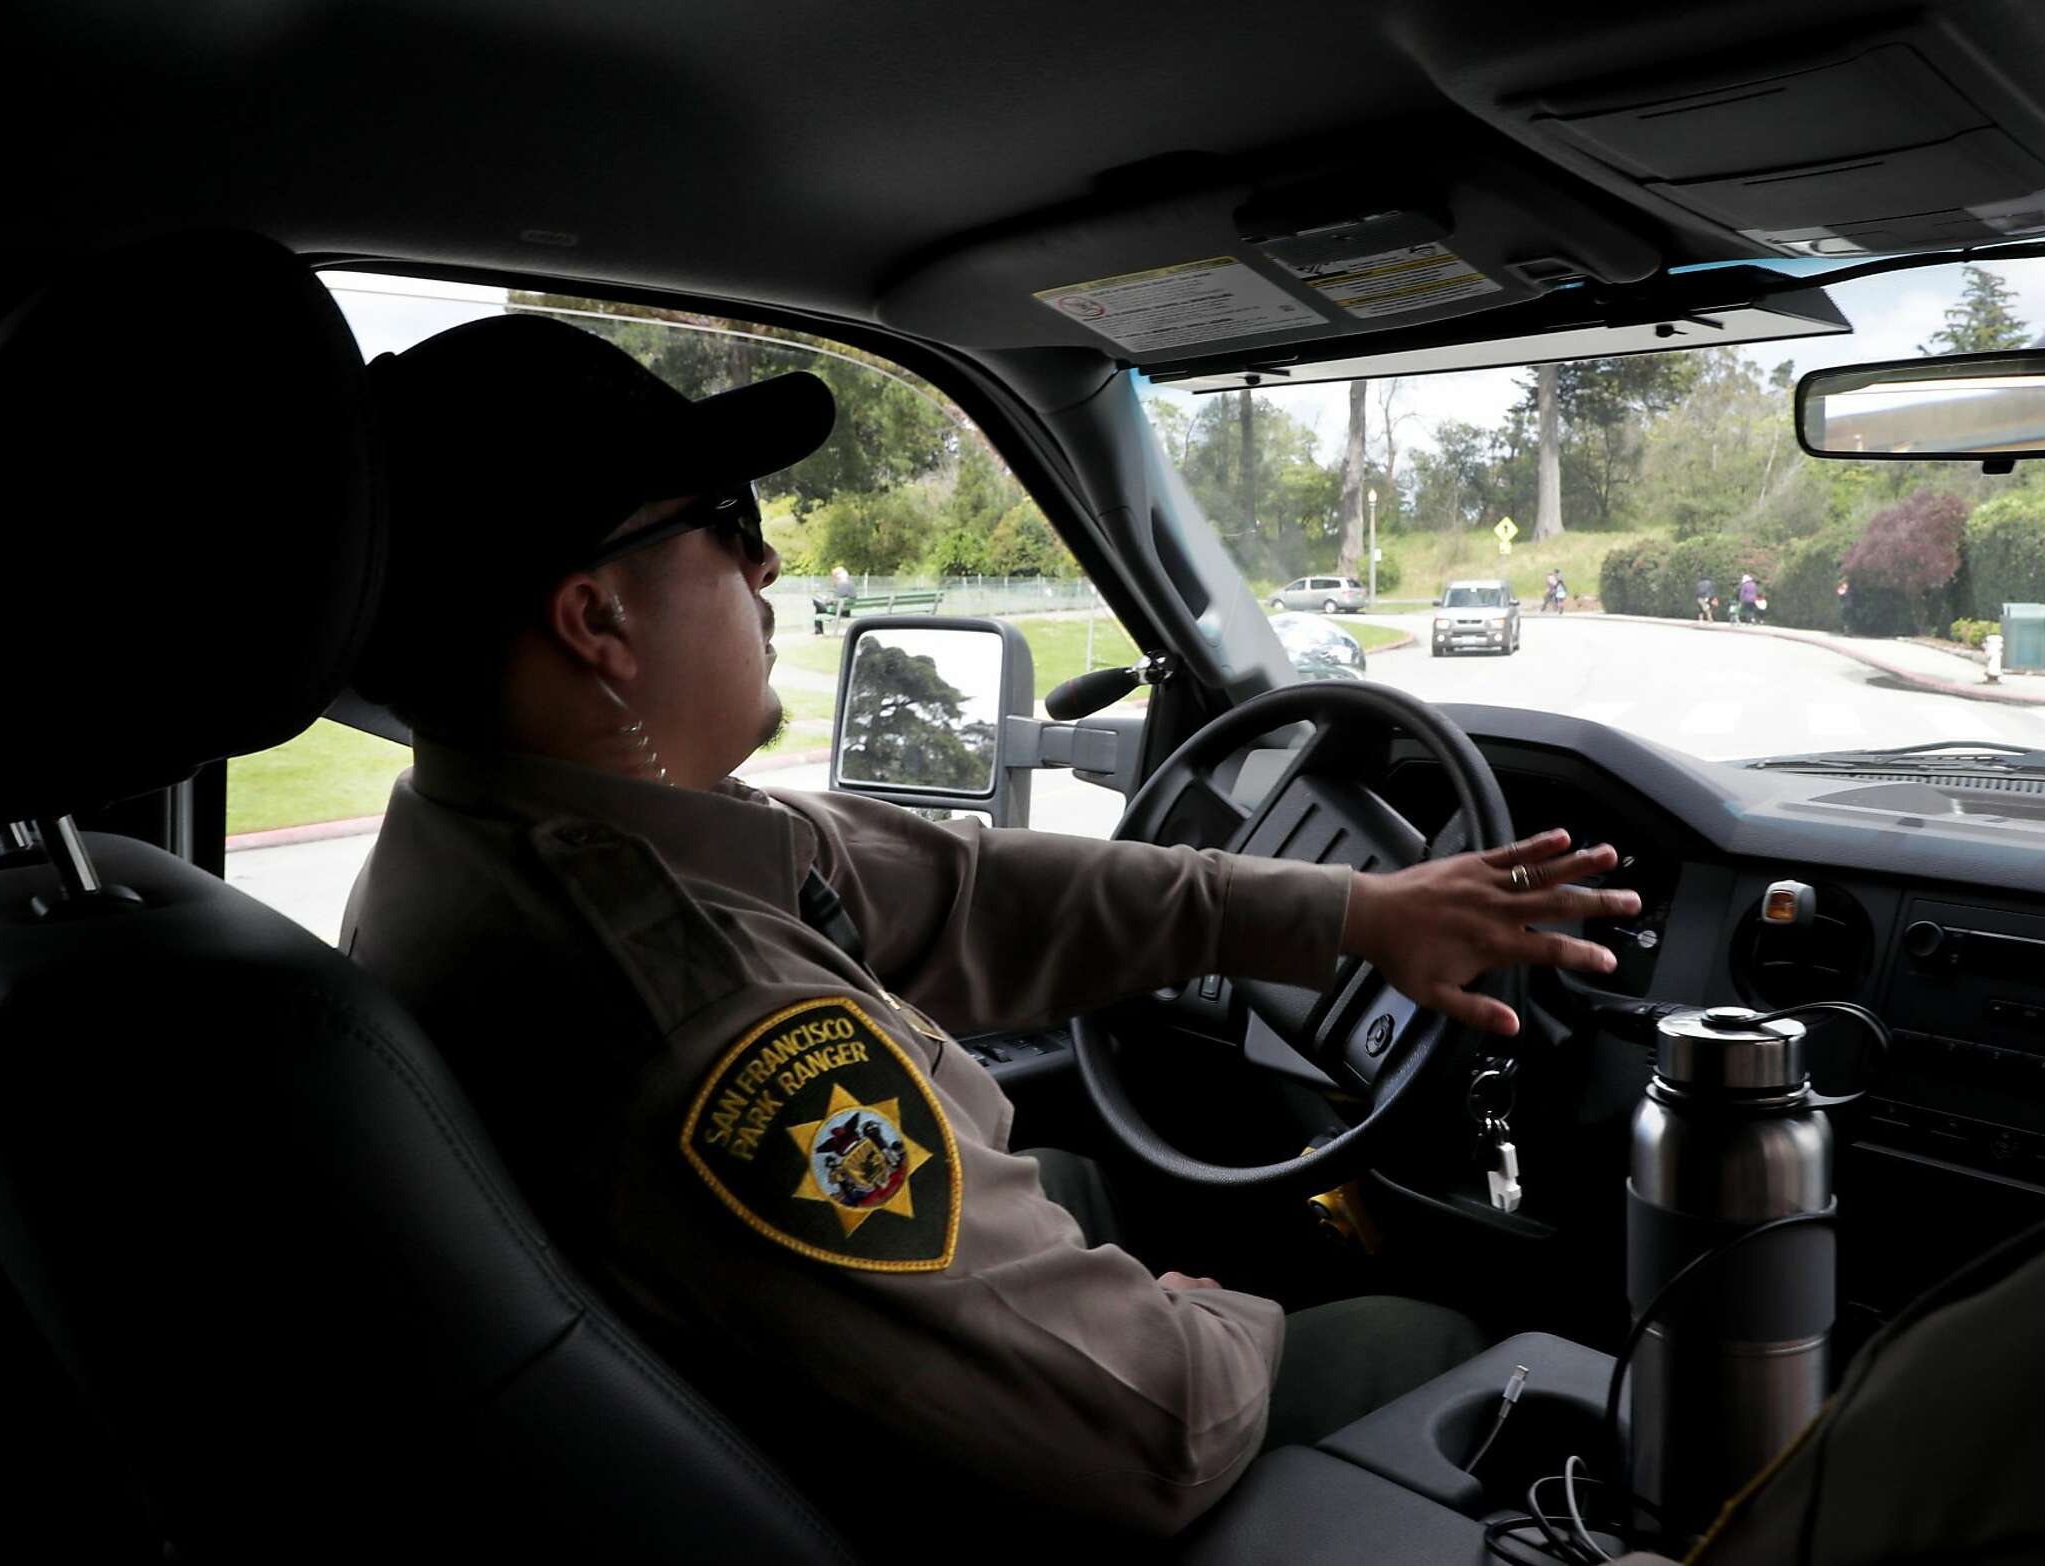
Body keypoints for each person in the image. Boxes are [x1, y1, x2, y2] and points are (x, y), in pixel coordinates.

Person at [339, 315, 1641, 1546]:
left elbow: (973, 890)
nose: (768, 562)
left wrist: (1359, 911)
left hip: (753, 1381)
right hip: (926, 1485)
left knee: (1118, 1188)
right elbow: (1163, 1424)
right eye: (727, 523)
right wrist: (1194, 1322)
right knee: (1461, 1343)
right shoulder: (705, 1020)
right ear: (596, 620)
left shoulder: (503, 832)